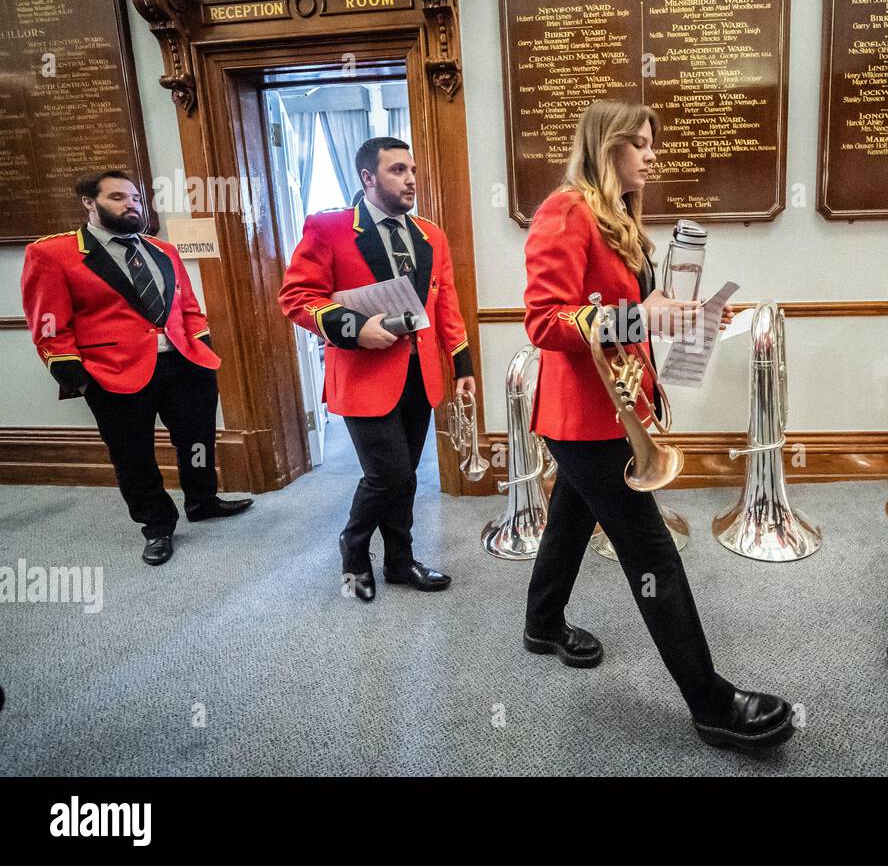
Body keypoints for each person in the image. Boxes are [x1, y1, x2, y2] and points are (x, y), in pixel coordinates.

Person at [522, 99, 795, 751]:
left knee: (570, 516)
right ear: (607, 144)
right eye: (640, 144)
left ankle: (541, 621)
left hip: (610, 405)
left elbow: (630, 304)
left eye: (652, 144)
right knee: (654, 557)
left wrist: (679, 310)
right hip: (584, 417)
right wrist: (645, 319)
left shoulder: (616, 215)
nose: (652, 155)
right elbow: (544, 320)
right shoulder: (566, 209)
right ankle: (712, 704)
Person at [20, 171, 253, 565]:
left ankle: (202, 498)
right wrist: (75, 376)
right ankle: (157, 525)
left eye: (136, 198)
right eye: (117, 197)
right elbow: (48, 323)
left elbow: (189, 307)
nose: (132, 205)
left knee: (197, 441)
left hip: (184, 365)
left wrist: (201, 343)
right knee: (134, 456)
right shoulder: (52, 254)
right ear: (89, 203)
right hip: (113, 372)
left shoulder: (162, 250)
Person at [279, 137, 475, 602]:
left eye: (411, 170)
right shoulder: (328, 228)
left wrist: (460, 362)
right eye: (397, 171)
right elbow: (296, 298)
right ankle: (353, 547)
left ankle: (400, 562)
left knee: (404, 475)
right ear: (368, 177)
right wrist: (355, 327)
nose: (410, 179)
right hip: (363, 376)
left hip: (419, 372)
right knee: (389, 474)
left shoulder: (431, 235)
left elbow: (444, 302)